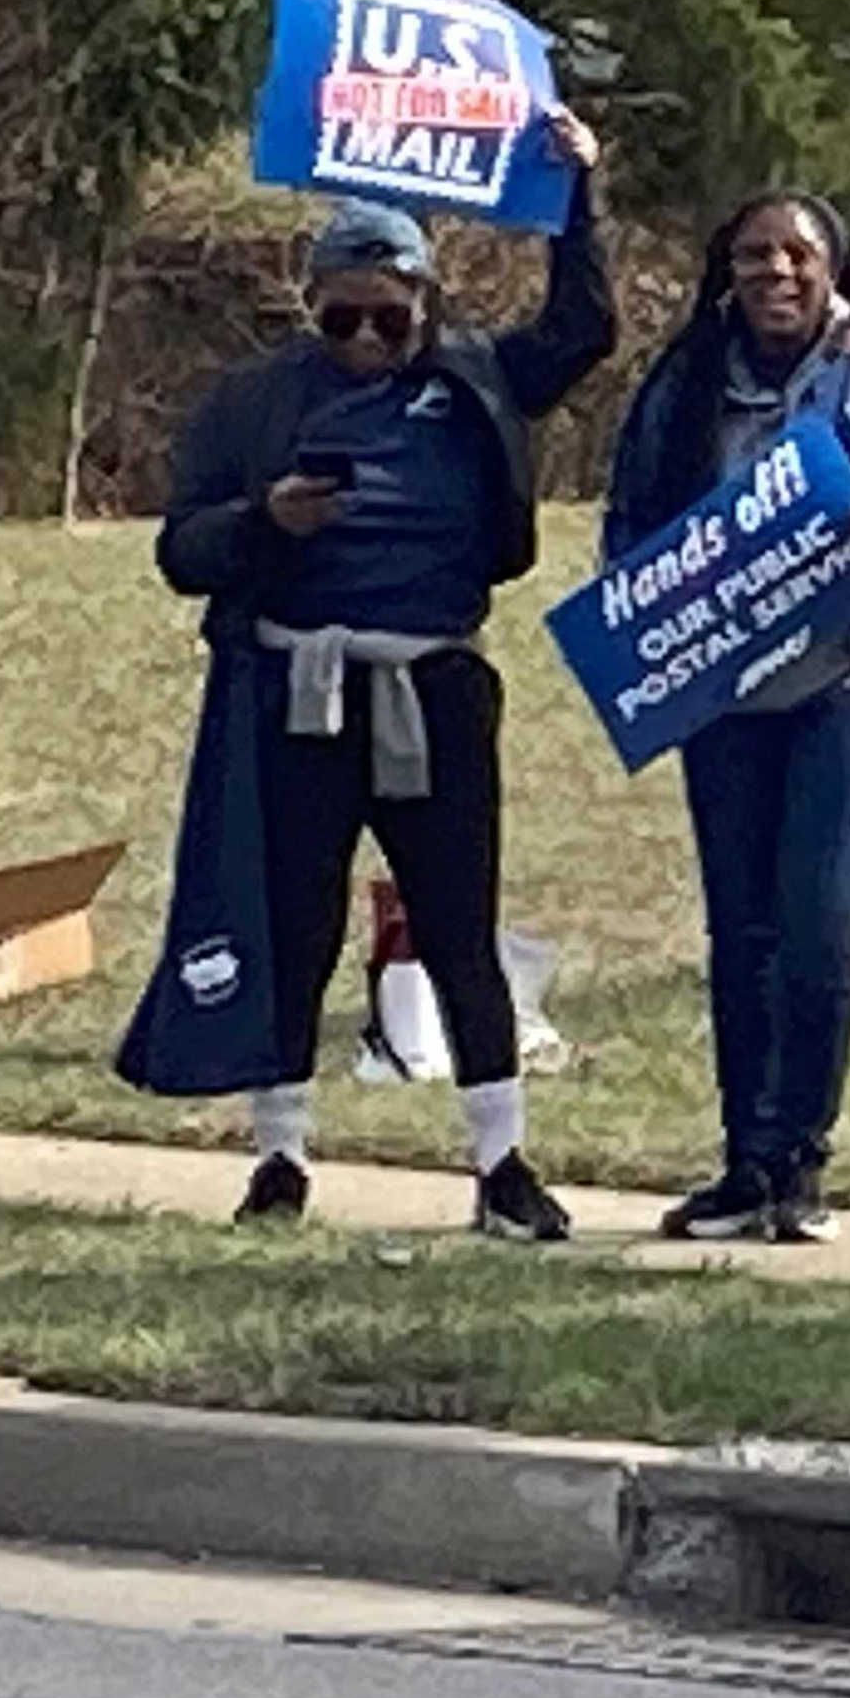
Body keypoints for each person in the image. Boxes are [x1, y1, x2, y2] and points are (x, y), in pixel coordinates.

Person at [124, 124, 616, 1241]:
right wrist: (264, 520)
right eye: (338, 317)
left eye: (386, 316)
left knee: (457, 924)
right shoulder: (255, 401)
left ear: (424, 302)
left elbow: (584, 331)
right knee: (294, 923)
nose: (361, 338)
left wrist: (578, 189)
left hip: (433, 685)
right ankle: (281, 1158)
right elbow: (179, 550)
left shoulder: (477, 376)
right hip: (299, 685)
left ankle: (500, 1165)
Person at [602, 193, 850, 1246]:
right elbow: (632, 517)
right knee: (739, 925)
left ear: (835, 264)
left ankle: (802, 1161)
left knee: (814, 911)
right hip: (725, 683)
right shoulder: (687, 377)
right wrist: (643, 629)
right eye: (753, 253)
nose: (776, 272)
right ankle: (742, 1164)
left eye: (798, 253)